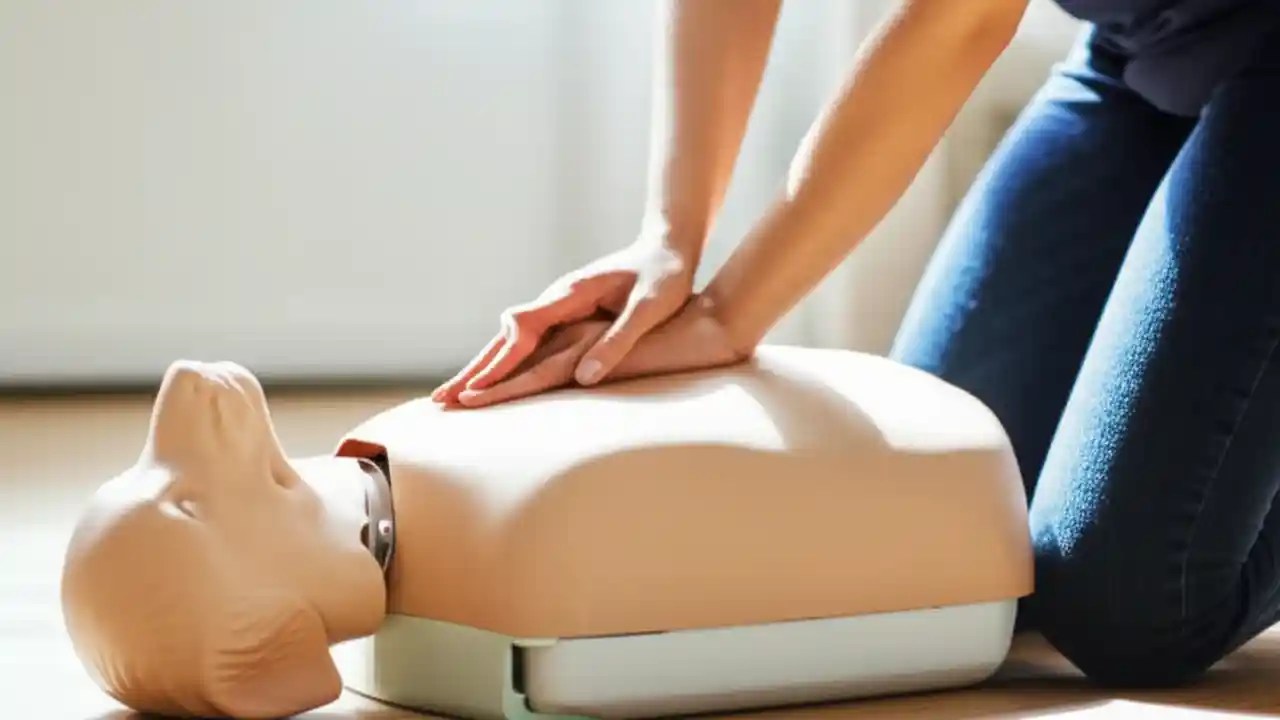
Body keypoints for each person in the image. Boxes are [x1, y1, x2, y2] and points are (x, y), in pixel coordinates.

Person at [431, 0, 1280, 689]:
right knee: (946, 534)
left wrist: (729, 312)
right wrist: (668, 239)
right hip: (1144, 41)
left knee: (1132, 610)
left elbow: (958, 20)